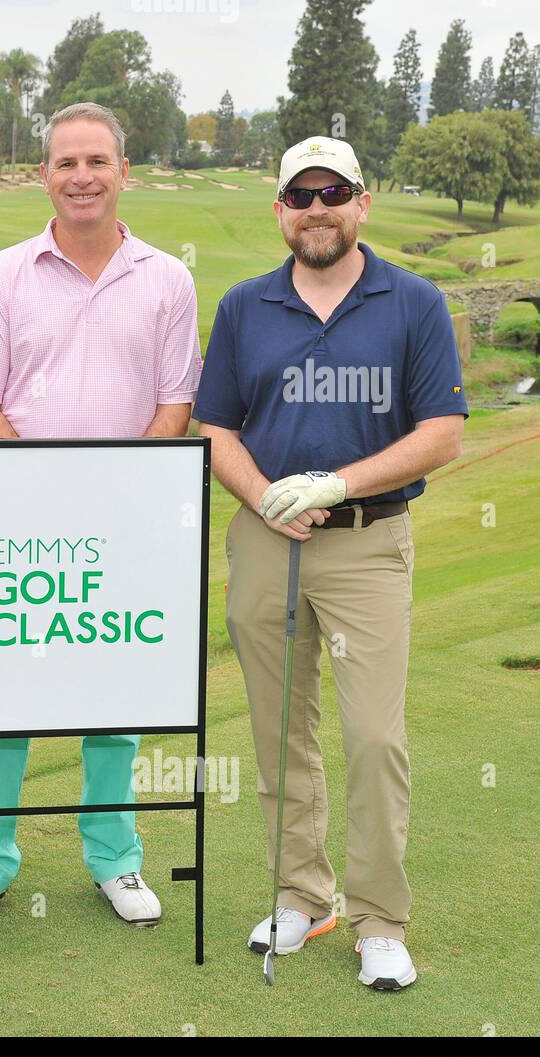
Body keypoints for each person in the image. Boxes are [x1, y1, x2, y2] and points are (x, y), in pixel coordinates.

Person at [194, 136, 466, 991]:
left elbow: (441, 434)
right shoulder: (244, 306)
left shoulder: (413, 301)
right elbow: (215, 428)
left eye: (333, 192)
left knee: (375, 736)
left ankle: (379, 918)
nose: (317, 208)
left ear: (362, 203)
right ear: (280, 210)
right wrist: (264, 493)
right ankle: (302, 896)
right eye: (300, 195)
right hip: (267, 541)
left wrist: (337, 480)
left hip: (369, 542)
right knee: (279, 732)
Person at [0, 102, 201, 935]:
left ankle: (115, 858)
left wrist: (114, 494)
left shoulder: (167, 277)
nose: (81, 176)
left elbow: (175, 405)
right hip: (14, 518)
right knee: (4, 699)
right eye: (65, 163)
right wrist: (40, 488)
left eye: (96, 161)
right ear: (44, 174)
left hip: (123, 521)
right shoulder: (5, 274)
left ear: (124, 171)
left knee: (112, 699)